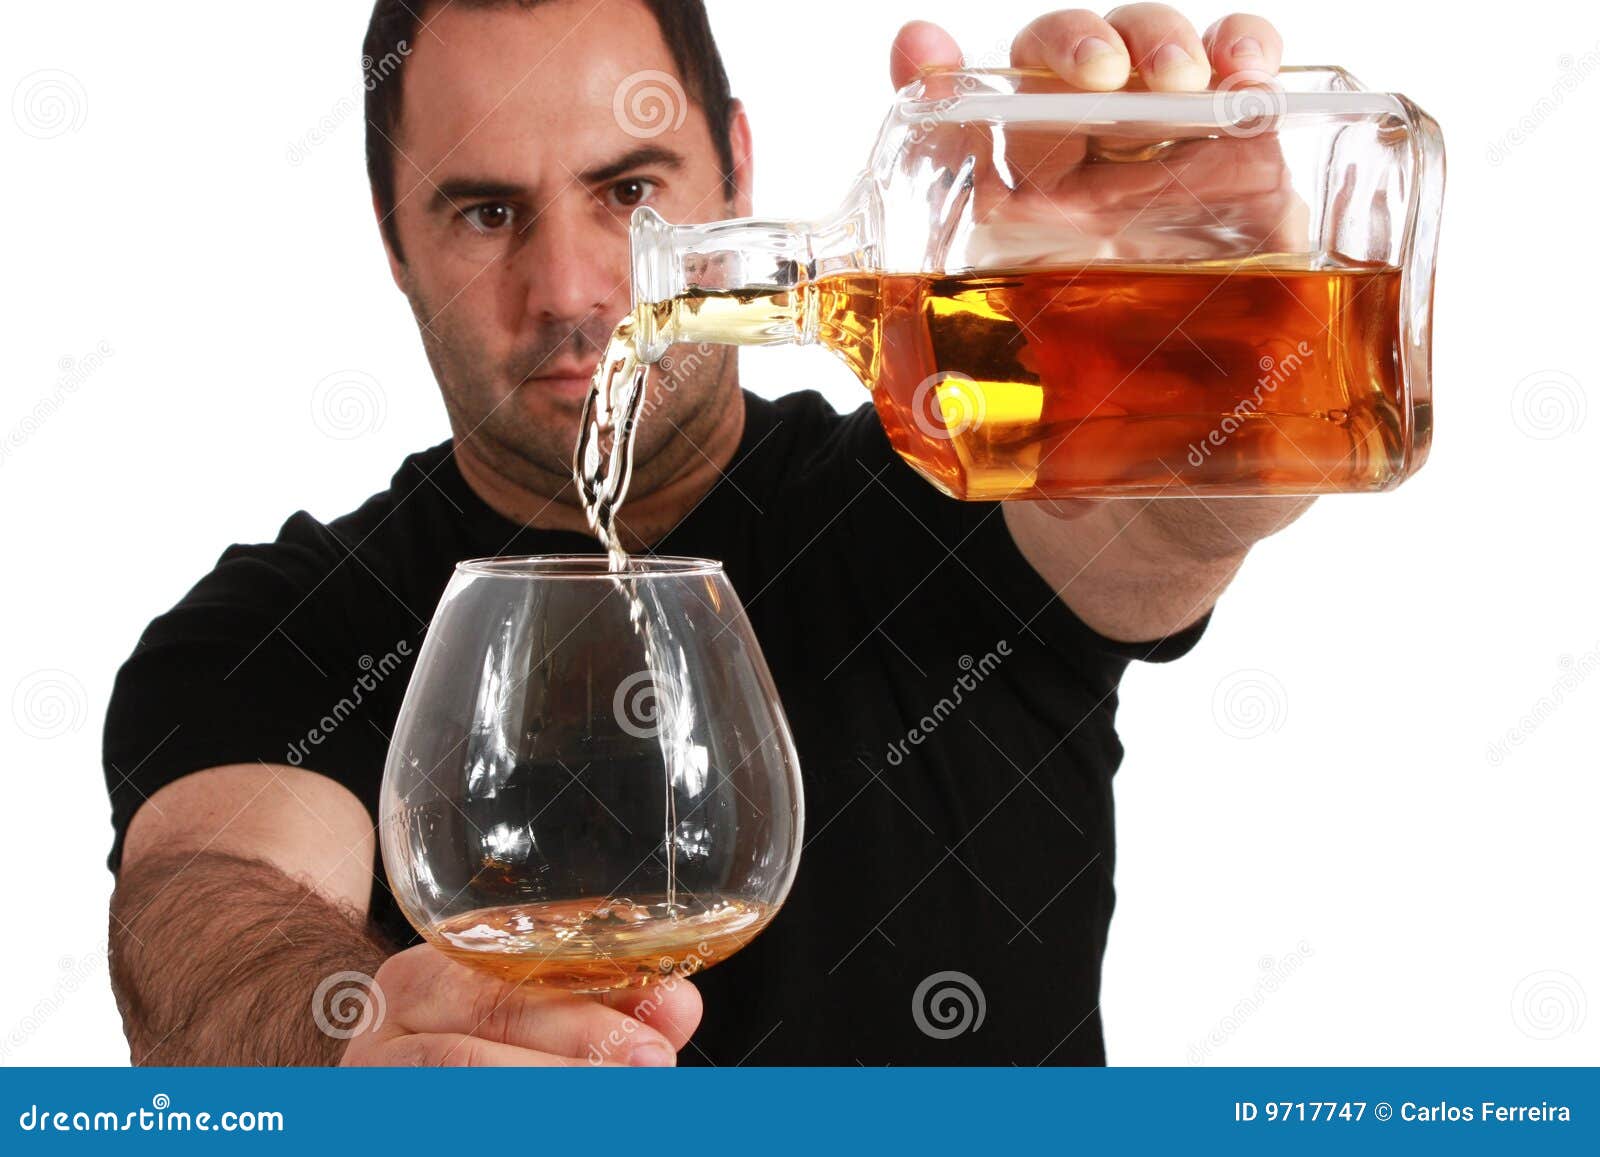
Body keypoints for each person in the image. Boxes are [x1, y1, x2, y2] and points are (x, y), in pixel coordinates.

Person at [103, 0, 1306, 1066]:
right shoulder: (292, 619)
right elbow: (210, 923)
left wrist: (1207, 370)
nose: (571, 290)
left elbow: (1159, 517)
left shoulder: (957, 487)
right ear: (391, 232)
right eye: (484, 211)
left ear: (734, 164)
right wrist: (353, 1035)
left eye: (629, 191)